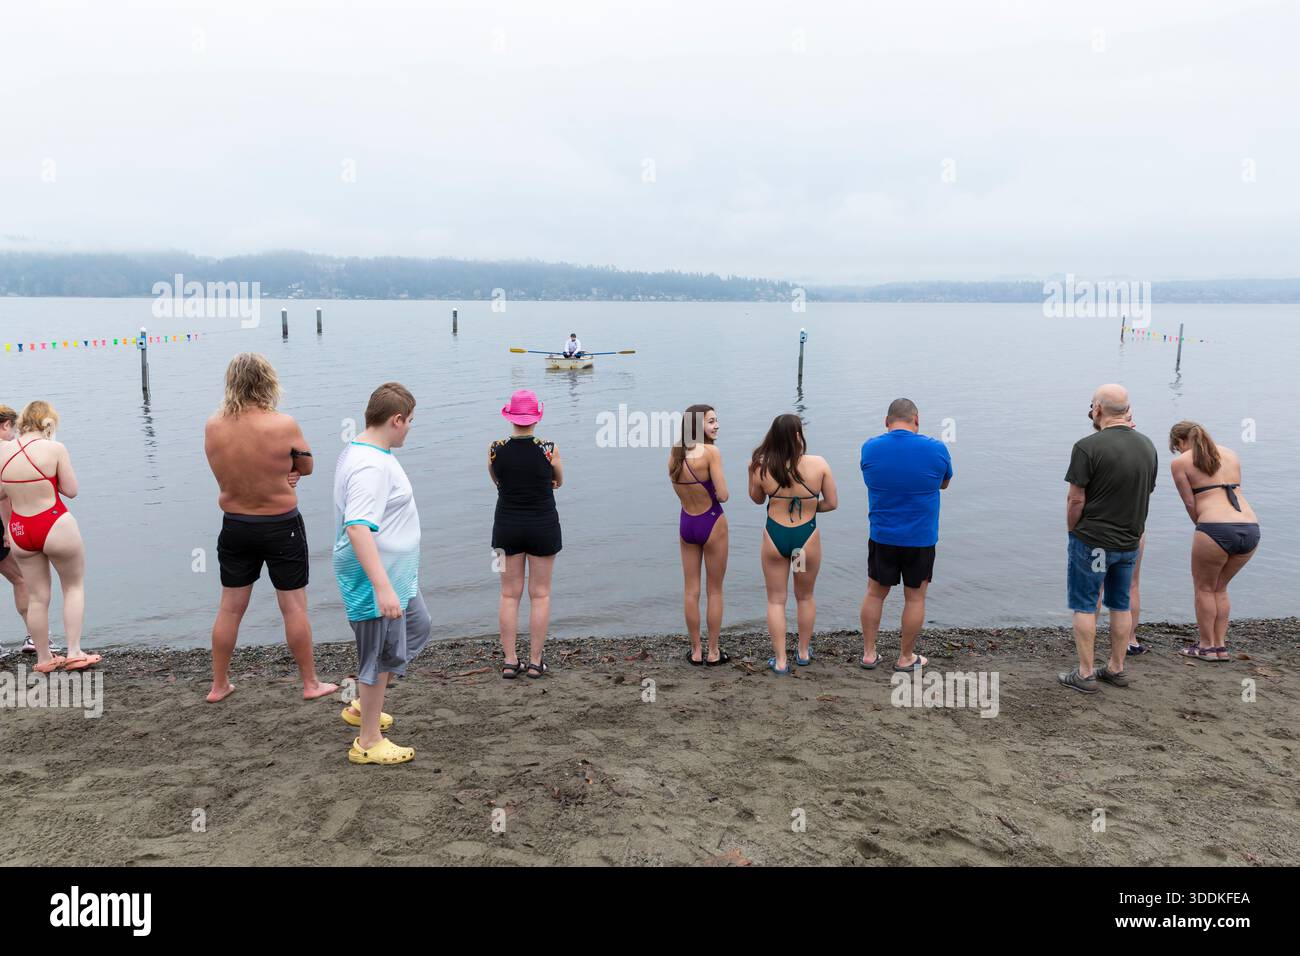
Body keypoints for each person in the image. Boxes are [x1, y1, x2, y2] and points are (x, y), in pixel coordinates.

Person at [203, 353, 337, 703]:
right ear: (267, 382)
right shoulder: (283, 424)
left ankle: (219, 685)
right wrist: (289, 469)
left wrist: (277, 470)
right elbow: (306, 466)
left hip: (235, 524)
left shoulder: (213, 425)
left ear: (232, 382)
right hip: (280, 525)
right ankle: (310, 683)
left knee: (230, 607)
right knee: (293, 607)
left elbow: (227, 469)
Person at [334, 382, 428, 765]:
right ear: (396, 419)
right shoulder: (370, 465)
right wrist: (382, 587)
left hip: (396, 573)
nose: (410, 429)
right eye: (410, 422)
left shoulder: (370, 449)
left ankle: (362, 704)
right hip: (376, 577)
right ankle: (368, 742)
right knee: (379, 655)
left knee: (417, 627)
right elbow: (357, 527)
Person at [1059, 384, 1157, 694]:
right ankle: (1116, 667)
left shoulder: (1087, 447)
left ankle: (1086, 672)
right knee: (1120, 604)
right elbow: (1147, 490)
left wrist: (1073, 530)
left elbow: (1076, 500)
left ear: (1098, 409)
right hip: (1129, 540)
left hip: (1093, 540)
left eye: (1091, 405)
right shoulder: (1147, 446)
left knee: (1086, 605)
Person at [858, 398, 953, 672]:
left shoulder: (870, 447)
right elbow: (944, 483)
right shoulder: (936, 448)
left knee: (875, 593)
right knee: (915, 598)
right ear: (917, 420)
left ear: (887, 422)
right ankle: (905, 657)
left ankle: (868, 654)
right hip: (920, 538)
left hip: (882, 536)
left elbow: (868, 477)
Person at [0, 401, 94, 672]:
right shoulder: (55, 449)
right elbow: (71, 490)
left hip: (20, 529)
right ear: (49, 424)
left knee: (37, 597)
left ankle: (43, 659)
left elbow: (2, 492)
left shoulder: (4, 451)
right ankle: (74, 652)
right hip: (54, 523)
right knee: (73, 587)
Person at [748, 413, 838, 675]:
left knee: (776, 600)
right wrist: (809, 506)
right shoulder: (818, 464)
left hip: (775, 538)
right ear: (799, 436)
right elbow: (832, 503)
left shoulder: (760, 465)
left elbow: (756, 499)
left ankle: (780, 661)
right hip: (804, 539)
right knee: (804, 596)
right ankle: (802, 652)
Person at [1169, 420, 1260, 662]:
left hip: (1215, 527)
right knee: (1220, 587)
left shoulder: (1180, 463)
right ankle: (1220, 646)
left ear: (1180, 442)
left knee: (1204, 588)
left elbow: (1190, 503)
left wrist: (1202, 527)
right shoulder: (1231, 454)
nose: (1177, 452)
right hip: (1250, 527)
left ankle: (1207, 647)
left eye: (1176, 447)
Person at [490, 389, 563, 679]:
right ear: (536, 417)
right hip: (543, 526)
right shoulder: (549, 448)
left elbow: (497, 480)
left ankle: (510, 660)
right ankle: (535, 661)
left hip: (505, 527)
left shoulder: (495, 448)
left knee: (508, 594)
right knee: (540, 594)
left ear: (510, 416)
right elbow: (559, 479)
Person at [669, 404, 730, 666]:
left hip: (687, 523)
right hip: (712, 521)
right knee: (714, 590)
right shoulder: (711, 452)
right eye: (711, 422)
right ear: (697, 426)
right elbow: (724, 494)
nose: (716, 425)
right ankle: (714, 651)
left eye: (717, 421)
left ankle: (695, 651)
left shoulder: (675, 453)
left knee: (690, 591)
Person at [0, 406, 31, 653]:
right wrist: (9, 530)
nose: (16, 435)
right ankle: (34, 636)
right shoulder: (8, 450)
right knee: (20, 578)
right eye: (15, 429)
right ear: (5, 425)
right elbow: (5, 497)